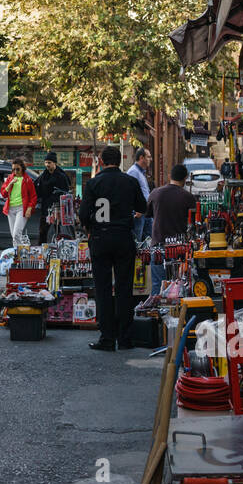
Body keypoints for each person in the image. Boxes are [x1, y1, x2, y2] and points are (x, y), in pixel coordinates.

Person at [79, 145, 146, 351]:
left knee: (103, 289)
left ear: (101, 161)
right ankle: (125, 338)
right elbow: (142, 207)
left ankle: (107, 338)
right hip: (123, 238)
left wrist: (91, 228)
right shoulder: (130, 181)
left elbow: (83, 215)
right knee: (125, 288)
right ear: (120, 161)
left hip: (100, 238)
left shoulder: (93, 184)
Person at [146, 164, 196, 294]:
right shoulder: (188, 197)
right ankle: (176, 313)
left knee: (158, 285)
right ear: (185, 178)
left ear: (170, 176)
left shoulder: (156, 193)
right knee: (179, 286)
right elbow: (194, 222)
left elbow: (147, 214)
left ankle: (155, 312)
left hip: (158, 246)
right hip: (179, 249)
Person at [33, 151, 72, 244]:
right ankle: (42, 251)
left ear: (54, 163)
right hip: (46, 208)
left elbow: (64, 192)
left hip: (59, 208)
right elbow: (36, 187)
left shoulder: (61, 176)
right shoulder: (43, 176)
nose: (47, 165)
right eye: (46, 162)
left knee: (59, 232)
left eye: (49, 162)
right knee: (42, 231)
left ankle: (61, 251)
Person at [0, 158, 37, 244]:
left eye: (17, 169)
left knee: (16, 234)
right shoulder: (10, 178)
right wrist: (10, 183)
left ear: (22, 168)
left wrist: (29, 208)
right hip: (10, 209)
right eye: (13, 169)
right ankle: (18, 253)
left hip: (21, 208)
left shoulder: (27, 180)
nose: (15, 171)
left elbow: (33, 196)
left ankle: (20, 254)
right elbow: (4, 194)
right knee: (14, 236)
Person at [127, 147, 153, 241]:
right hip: (138, 213)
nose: (151, 159)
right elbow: (129, 192)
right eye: (148, 157)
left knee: (148, 240)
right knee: (137, 241)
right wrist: (137, 209)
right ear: (142, 158)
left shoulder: (140, 172)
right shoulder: (133, 172)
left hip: (145, 212)